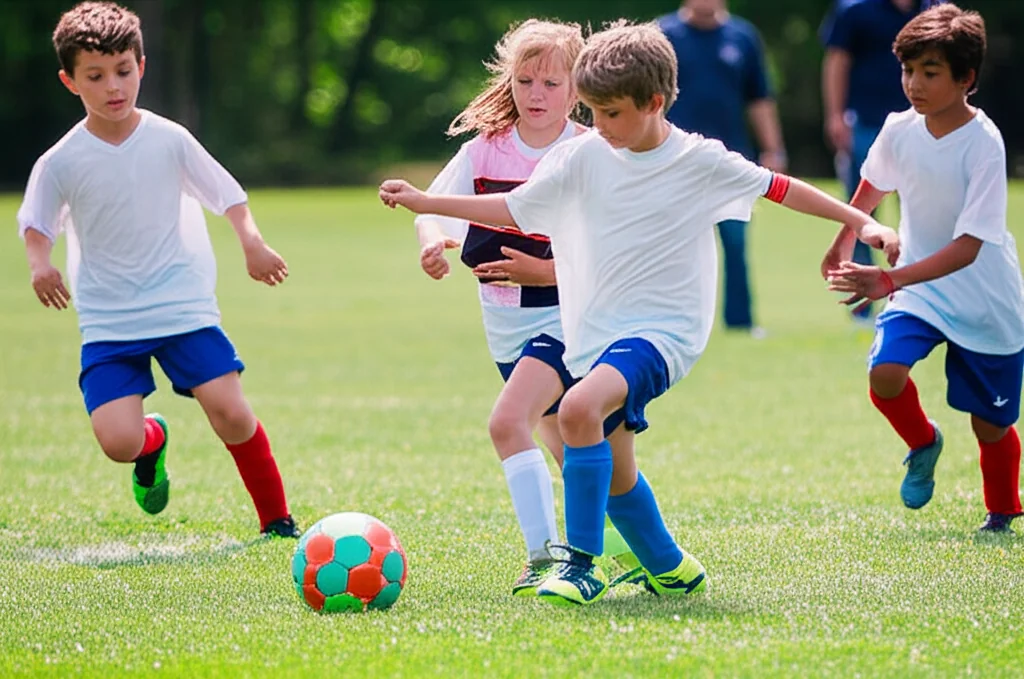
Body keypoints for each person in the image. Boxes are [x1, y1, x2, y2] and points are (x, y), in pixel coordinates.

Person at [381, 20, 899, 605]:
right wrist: (426, 205)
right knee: (615, 468)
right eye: (594, 113)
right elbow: (513, 208)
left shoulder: (699, 161)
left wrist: (862, 223)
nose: (597, 127)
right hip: (594, 332)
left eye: (610, 114)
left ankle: (578, 565)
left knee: (576, 410)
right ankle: (670, 567)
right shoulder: (587, 157)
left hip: (664, 332)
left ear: (654, 103)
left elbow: (782, 188)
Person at [16, 1, 299, 538]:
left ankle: (277, 521)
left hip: (181, 304)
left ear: (141, 67)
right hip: (109, 320)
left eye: (123, 71)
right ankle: (154, 441)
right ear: (69, 81)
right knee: (119, 444)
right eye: (95, 77)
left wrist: (252, 243)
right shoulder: (61, 161)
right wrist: (39, 266)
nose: (113, 87)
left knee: (232, 414)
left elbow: (229, 197)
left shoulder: (169, 139)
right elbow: (37, 223)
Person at [410, 19, 636, 596]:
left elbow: (612, 251)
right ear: (509, 81)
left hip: (567, 324)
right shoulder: (483, 150)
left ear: (577, 89)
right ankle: (642, 555)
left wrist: (544, 272)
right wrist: (433, 242)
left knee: (507, 423)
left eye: (552, 84)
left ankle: (545, 559)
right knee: (577, 456)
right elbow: (432, 207)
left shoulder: (589, 153)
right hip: (505, 330)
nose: (537, 95)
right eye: (526, 80)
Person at [824, 4, 1023, 534]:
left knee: (991, 423)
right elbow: (871, 188)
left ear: (967, 78)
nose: (914, 83)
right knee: (885, 374)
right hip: (920, 288)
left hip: (985, 298)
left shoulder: (984, 143)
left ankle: (1001, 511)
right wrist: (842, 241)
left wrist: (886, 279)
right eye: (908, 70)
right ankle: (923, 442)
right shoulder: (897, 129)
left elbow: (968, 248)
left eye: (930, 72)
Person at [659, 0, 787, 336]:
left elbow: (759, 98)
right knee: (670, 245)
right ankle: (670, 322)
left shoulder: (743, 37)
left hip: (731, 162)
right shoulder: (663, 34)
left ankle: (741, 322)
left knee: (735, 243)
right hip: (674, 161)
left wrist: (773, 148)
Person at [820, 0, 940, 323]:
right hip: (866, 124)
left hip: (925, 125)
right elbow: (837, 62)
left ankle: (923, 299)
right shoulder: (854, 9)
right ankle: (860, 309)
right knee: (860, 216)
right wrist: (835, 115)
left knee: (923, 213)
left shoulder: (934, 8)